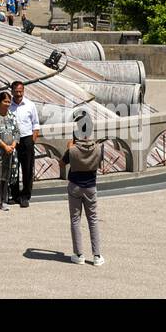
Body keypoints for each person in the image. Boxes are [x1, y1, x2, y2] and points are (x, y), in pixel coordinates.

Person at [62, 108, 105, 265]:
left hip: (74, 185)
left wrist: (69, 147)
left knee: (75, 220)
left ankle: (79, 254)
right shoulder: (99, 148)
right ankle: (97, 256)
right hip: (90, 186)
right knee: (92, 220)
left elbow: (62, 162)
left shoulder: (72, 150)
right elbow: (99, 164)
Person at [8, 80, 41, 207]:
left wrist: (32, 139)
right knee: (13, 169)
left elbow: (36, 124)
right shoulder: (8, 105)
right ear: (12, 92)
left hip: (27, 139)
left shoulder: (30, 105)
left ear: (23, 91)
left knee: (27, 169)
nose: (18, 94)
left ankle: (25, 196)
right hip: (12, 141)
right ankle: (15, 195)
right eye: (16, 91)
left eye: (20, 91)